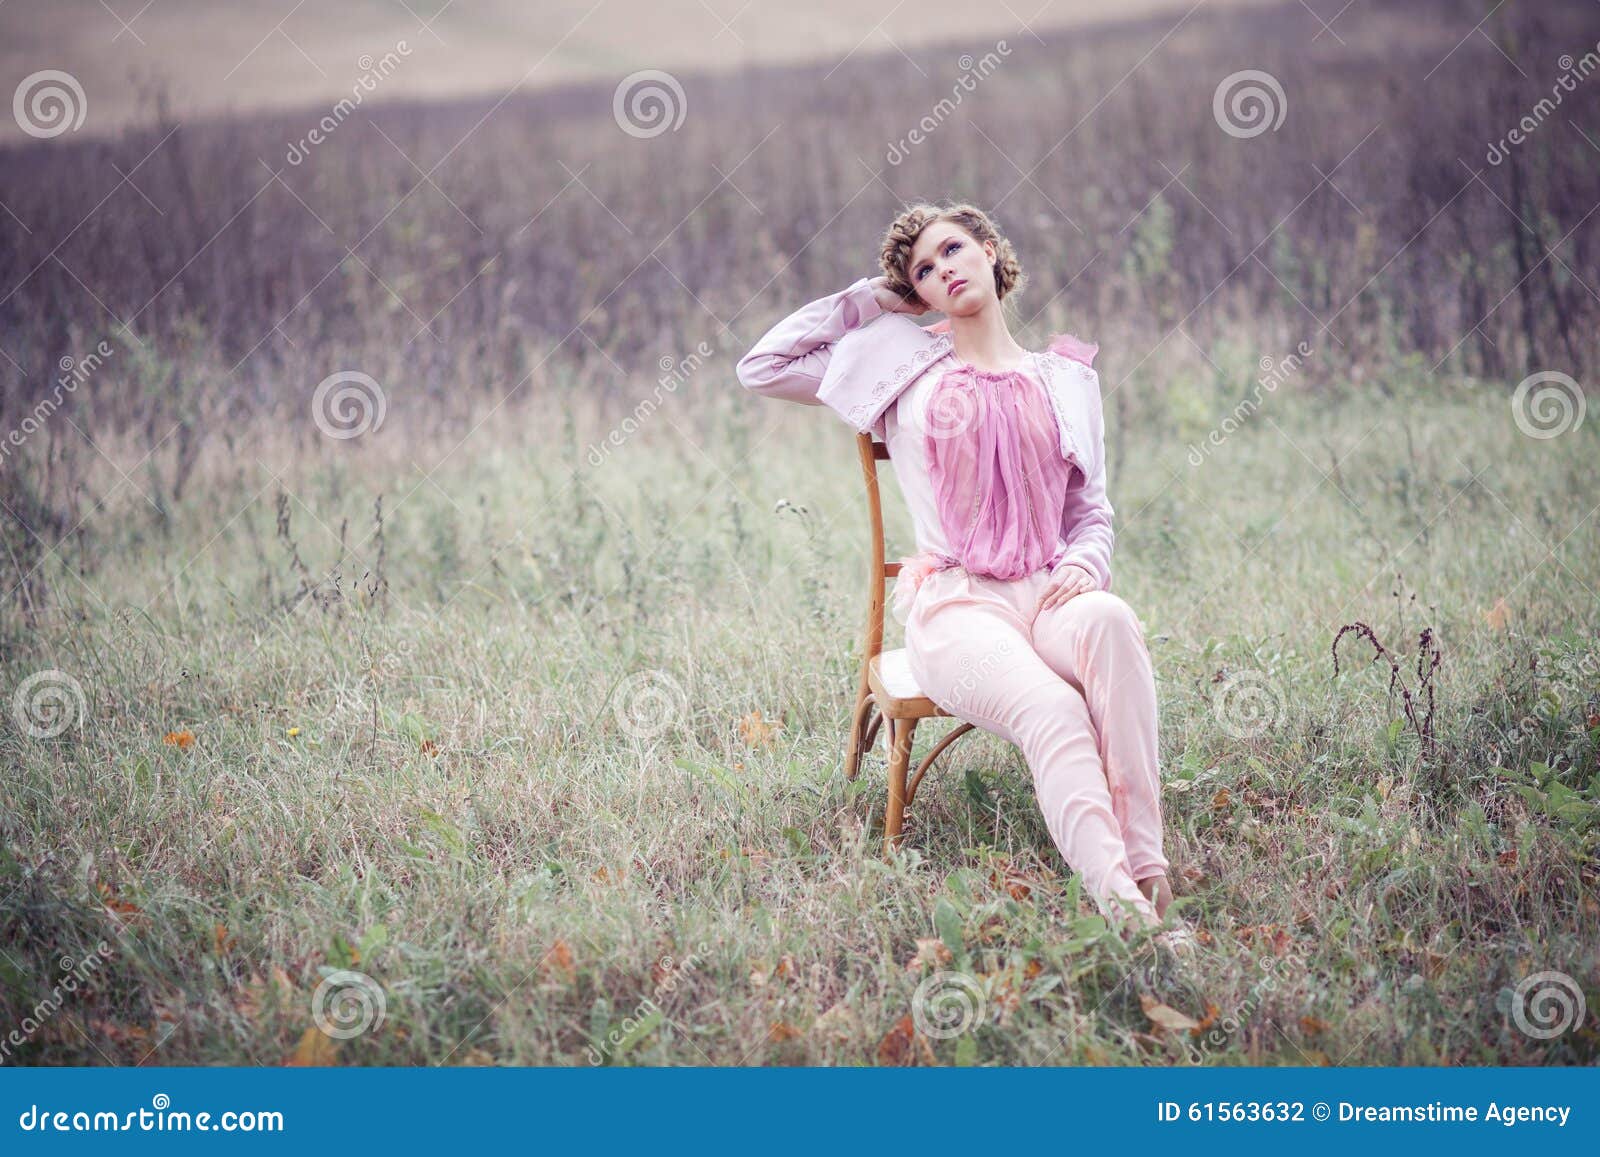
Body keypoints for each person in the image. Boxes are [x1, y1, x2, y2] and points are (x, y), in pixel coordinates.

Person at [736, 201, 1190, 950]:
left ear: (989, 250)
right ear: (918, 291)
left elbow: (1094, 510)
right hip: (957, 606)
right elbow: (761, 367)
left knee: (1112, 620)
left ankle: (1147, 865)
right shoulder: (901, 369)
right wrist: (877, 300)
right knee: (1053, 709)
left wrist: (1082, 563)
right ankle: (1129, 919)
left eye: (952, 249)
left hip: (1049, 593)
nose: (942, 267)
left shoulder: (1066, 378)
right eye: (921, 268)